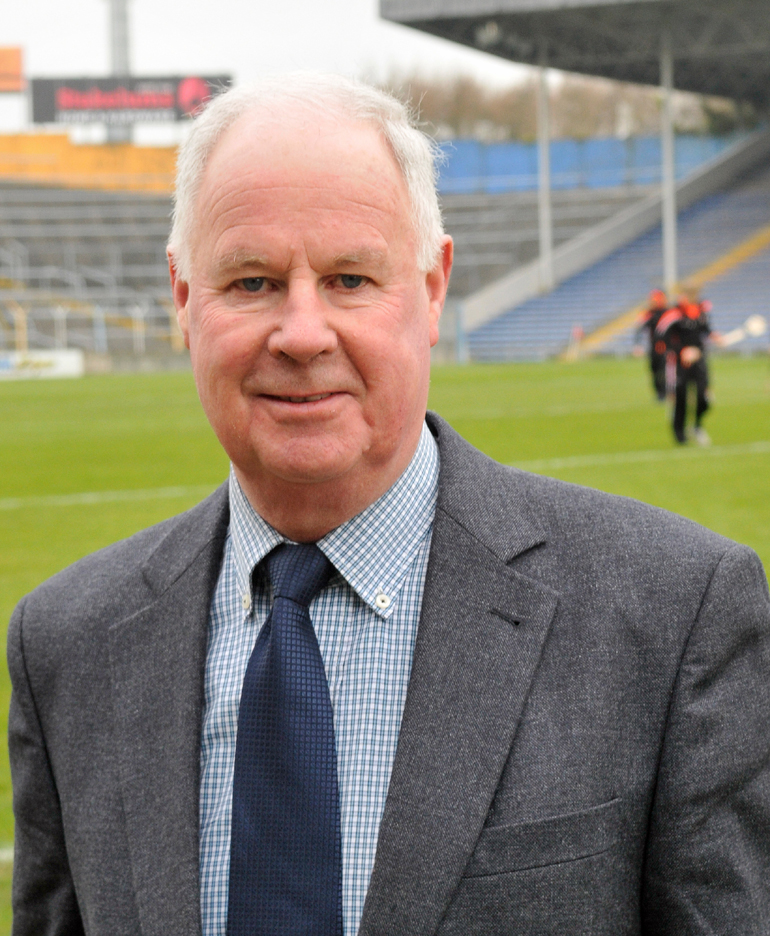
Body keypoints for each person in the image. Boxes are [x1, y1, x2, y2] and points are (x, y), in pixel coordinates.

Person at [8, 74, 770, 936]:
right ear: (185, 298)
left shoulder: (674, 616)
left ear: (433, 286)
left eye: (350, 278)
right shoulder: (63, 647)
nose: (301, 333)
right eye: (252, 282)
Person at [656, 283, 718, 445]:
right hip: (678, 364)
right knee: (680, 397)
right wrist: (682, 351)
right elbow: (662, 337)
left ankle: (697, 426)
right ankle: (680, 434)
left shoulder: (700, 312)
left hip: (699, 361)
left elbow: (705, 330)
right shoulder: (674, 313)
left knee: (704, 398)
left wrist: (714, 336)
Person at [634, 288, 669, 401]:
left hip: (667, 347)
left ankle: (666, 392)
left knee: (665, 370)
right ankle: (659, 393)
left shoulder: (668, 312)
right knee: (654, 370)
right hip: (654, 347)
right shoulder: (648, 313)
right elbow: (639, 329)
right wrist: (637, 345)